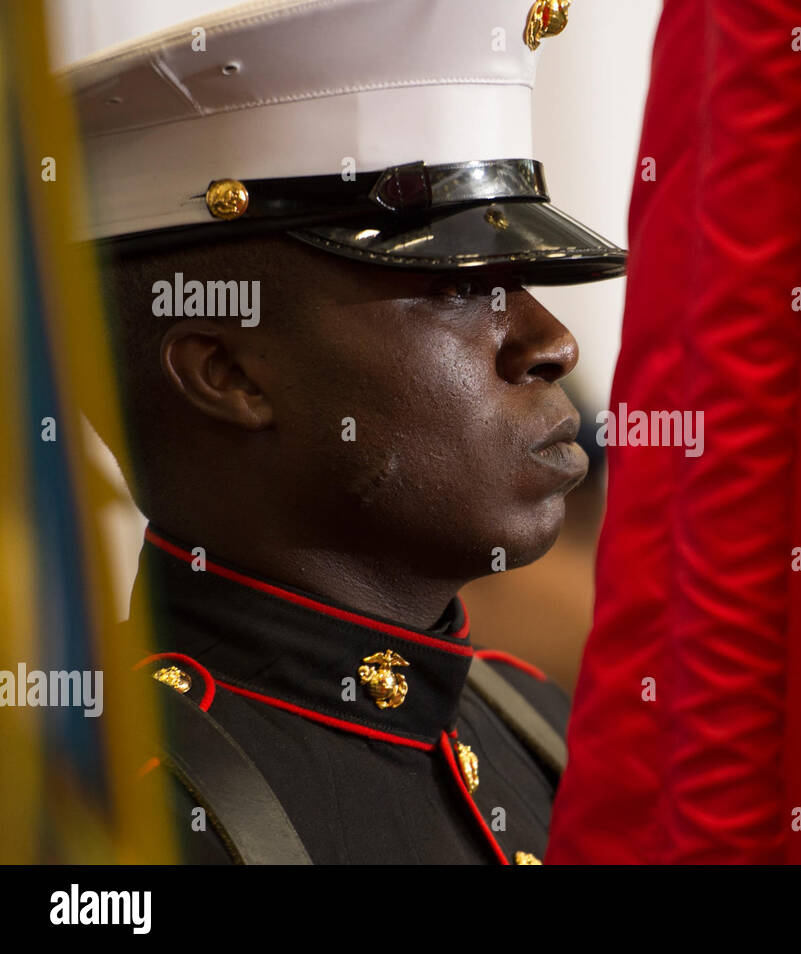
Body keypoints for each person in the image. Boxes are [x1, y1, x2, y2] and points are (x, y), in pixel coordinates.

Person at [67, 0, 624, 864]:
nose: (552, 343)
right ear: (229, 373)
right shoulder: (112, 826)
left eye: (521, 282)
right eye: (457, 290)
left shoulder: (538, 727)